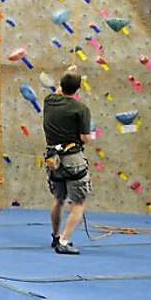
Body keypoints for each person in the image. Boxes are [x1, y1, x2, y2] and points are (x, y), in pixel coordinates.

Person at [43, 67, 94, 255]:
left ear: (61, 85)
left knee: (58, 199)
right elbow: (85, 137)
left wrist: (68, 72)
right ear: (78, 89)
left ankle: (56, 236)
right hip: (72, 159)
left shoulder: (49, 101)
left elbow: (58, 90)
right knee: (78, 203)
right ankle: (65, 241)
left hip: (53, 159)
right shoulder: (81, 109)